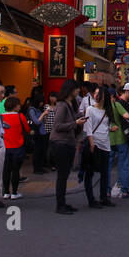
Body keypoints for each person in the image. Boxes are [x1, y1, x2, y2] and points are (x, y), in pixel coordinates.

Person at [50, 79, 84, 214]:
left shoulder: (71, 104)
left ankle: (63, 202)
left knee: (65, 174)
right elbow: (57, 126)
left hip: (68, 142)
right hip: (60, 143)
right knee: (62, 175)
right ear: (71, 90)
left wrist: (79, 117)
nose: (78, 91)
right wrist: (75, 123)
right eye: (76, 89)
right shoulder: (62, 105)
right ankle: (60, 205)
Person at [82, 85, 115, 208]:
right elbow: (88, 128)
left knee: (105, 173)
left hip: (105, 144)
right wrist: (91, 143)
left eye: (98, 94)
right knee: (90, 172)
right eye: (95, 93)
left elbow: (106, 126)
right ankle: (91, 200)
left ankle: (103, 197)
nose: (95, 96)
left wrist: (111, 129)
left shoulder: (107, 110)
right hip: (94, 144)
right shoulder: (90, 109)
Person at [111, 83, 129, 199]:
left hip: (109, 139)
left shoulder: (107, 107)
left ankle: (107, 190)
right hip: (121, 137)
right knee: (124, 163)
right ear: (126, 91)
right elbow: (127, 116)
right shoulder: (118, 104)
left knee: (108, 165)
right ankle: (125, 189)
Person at [0, 95, 30, 200]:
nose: (20, 106)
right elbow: (27, 128)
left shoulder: (1, 117)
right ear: (15, 106)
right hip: (18, 146)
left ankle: (6, 192)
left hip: (4, 147)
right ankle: (14, 192)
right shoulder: (20, 116)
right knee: (15, 170)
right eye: (18, 104)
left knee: (6, 170)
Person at [28, 91, 52, 174]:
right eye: (41, 102)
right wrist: (43, 114)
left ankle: (41, 167)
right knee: (37, 151)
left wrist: (45, 116)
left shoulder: (38, 109)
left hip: (43, 132)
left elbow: (42, 121)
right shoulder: (32, 110)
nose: (42, 104)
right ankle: (36, 168)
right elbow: (36, 122)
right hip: (36, 133)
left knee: (42, 150)